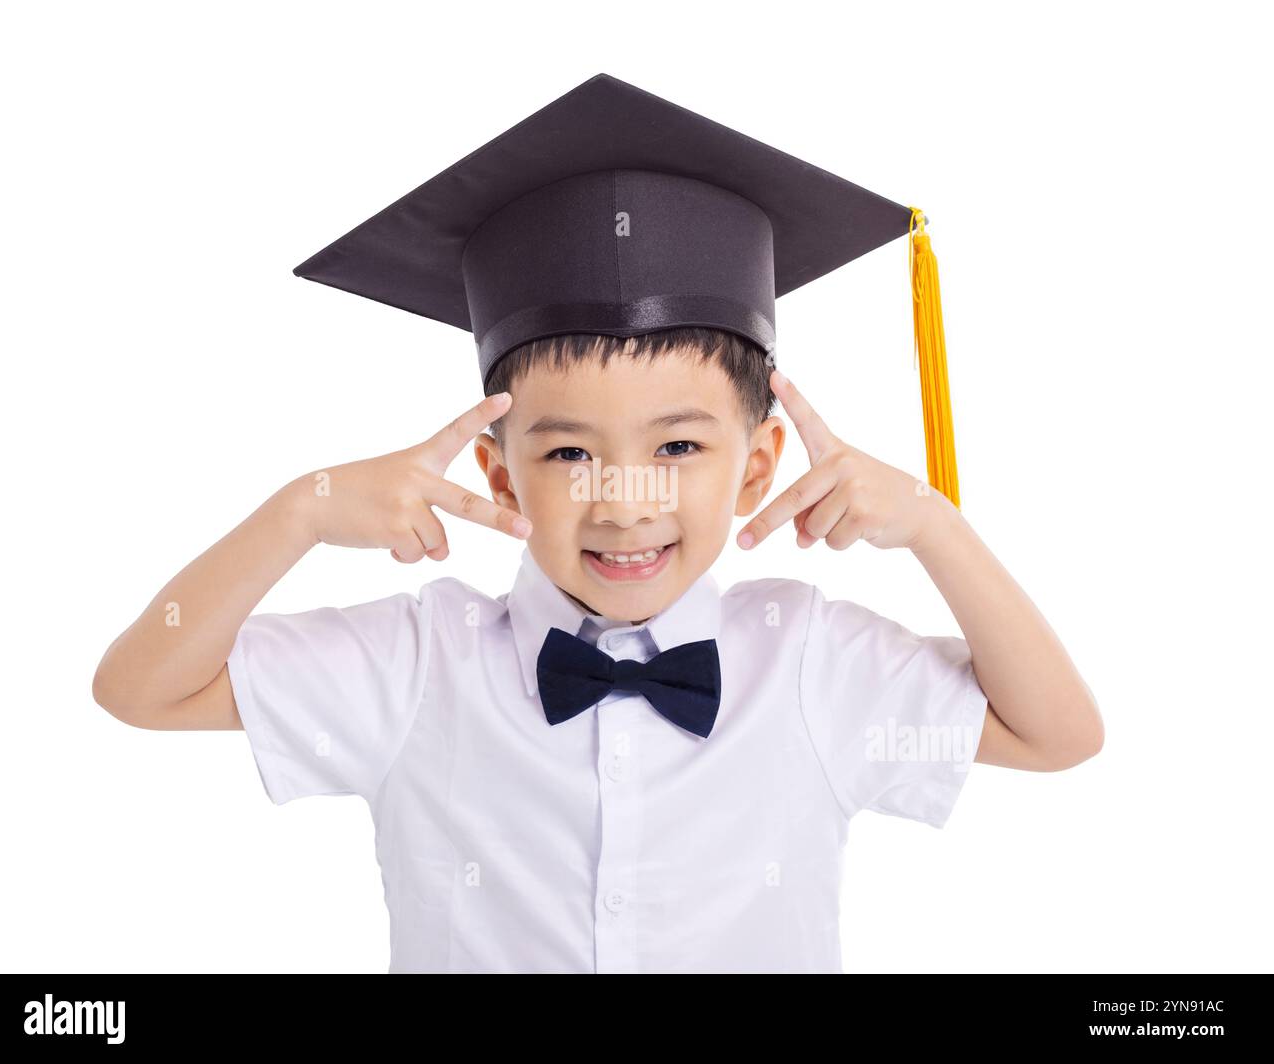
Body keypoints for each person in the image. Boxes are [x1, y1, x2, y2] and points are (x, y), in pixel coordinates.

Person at [92, 74, 1103, 973]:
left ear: (758, 467)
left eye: (677, 447)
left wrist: (932, 524)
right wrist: (300, 510)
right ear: (499, 468)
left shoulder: (810, 659)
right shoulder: (415, 661)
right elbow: (141, 684)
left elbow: (1056, 731)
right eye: (569, 452)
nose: (624, 500)